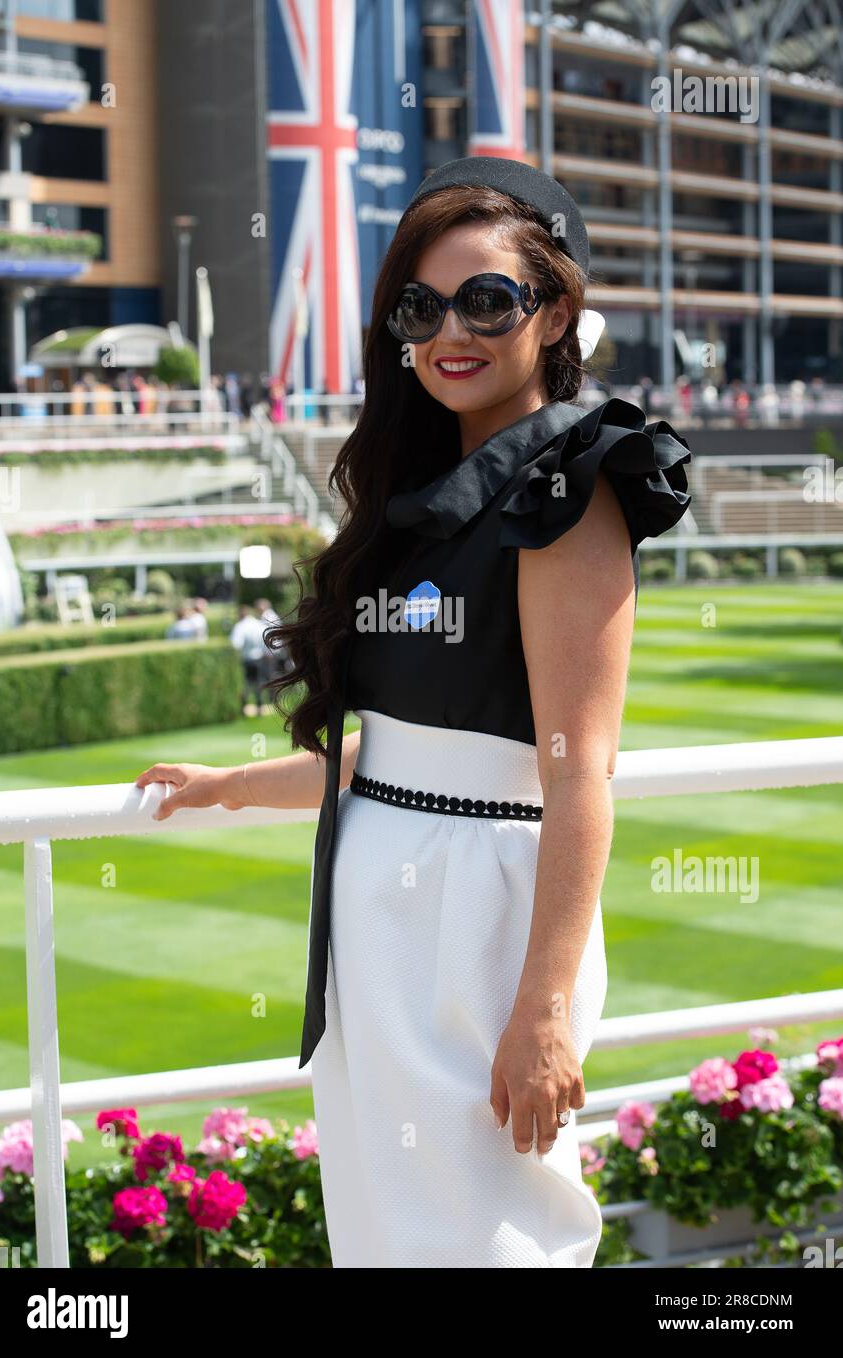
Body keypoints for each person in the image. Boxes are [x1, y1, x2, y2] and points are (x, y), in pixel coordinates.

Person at [134, 157, 691, 1268]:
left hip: (479, 921)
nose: (452, 329)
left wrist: (540, 1010)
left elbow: (577, 772)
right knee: (392, 1235)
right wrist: (227, 785)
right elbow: (384, 760)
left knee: (491, 1239)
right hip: (374, 921)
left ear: (555, 309)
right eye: (419, 305)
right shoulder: (419, 493)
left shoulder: (571, 487)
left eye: (488, 299)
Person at [229, 604, 267, 715]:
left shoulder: (240, 626)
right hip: (259, 657)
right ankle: (259, 707)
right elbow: (265, 640)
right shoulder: (258, 624)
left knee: (245, 684)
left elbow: (236, 644)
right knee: (259, 682)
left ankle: (243, 707)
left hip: (246, 658)